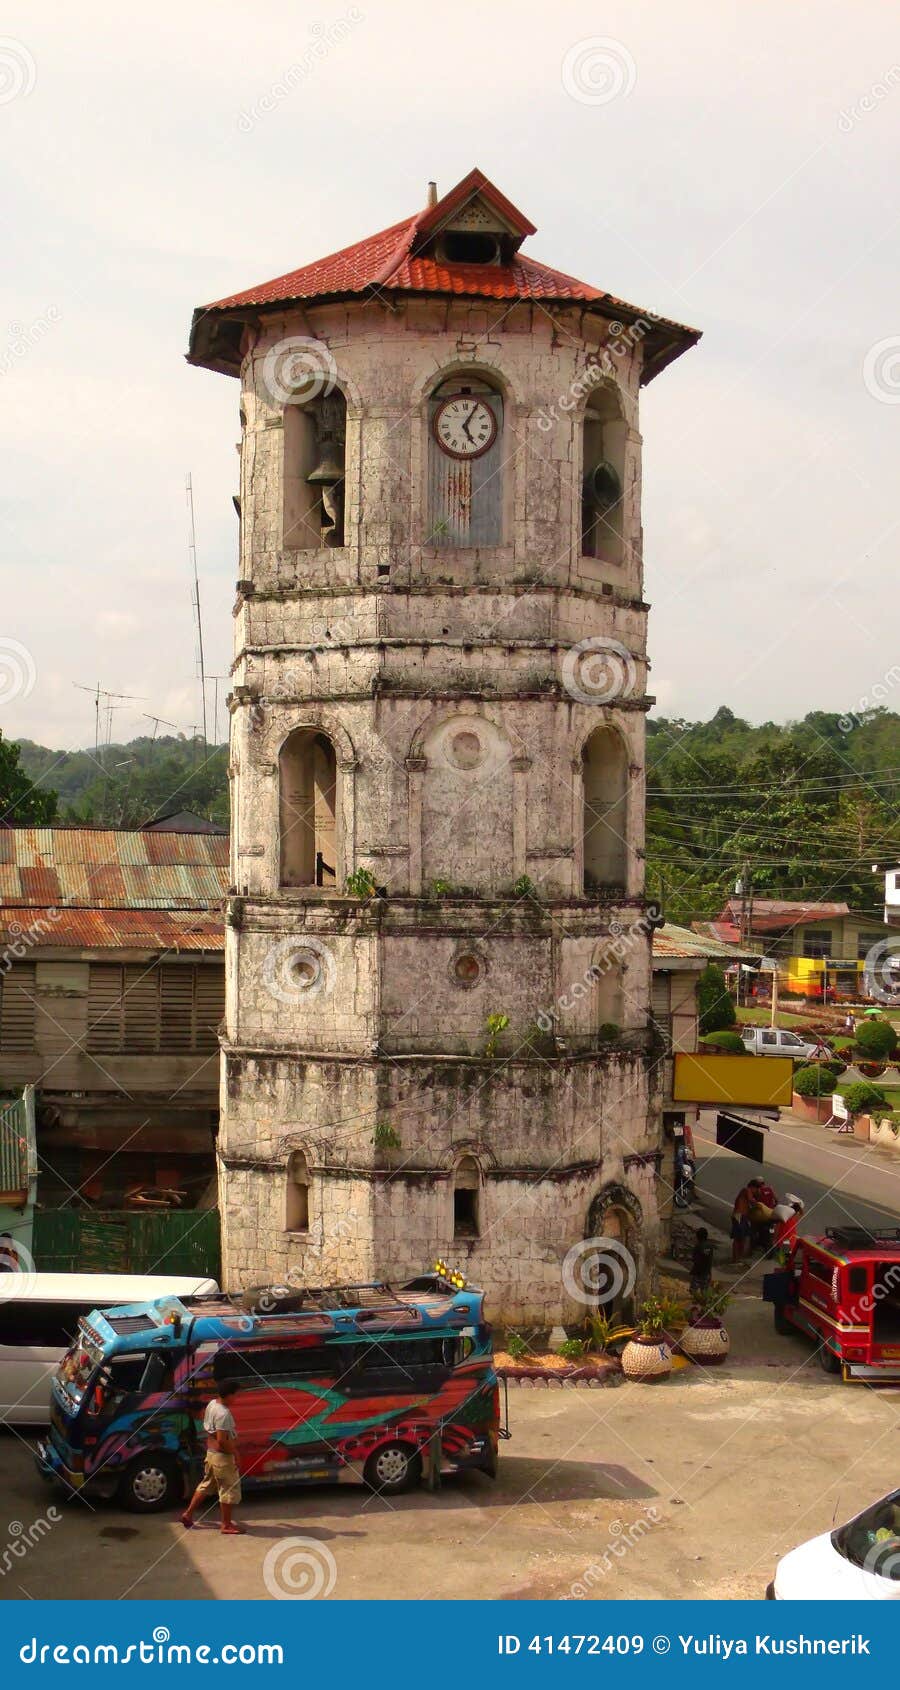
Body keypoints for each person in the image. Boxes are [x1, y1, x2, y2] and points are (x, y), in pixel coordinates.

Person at [181, 1379, 244, 1535]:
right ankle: (226, 1525)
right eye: (235, 1395)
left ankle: (188, 1514)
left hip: (211, 1454)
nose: (236, 1399)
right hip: (222, 1457)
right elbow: (222, 1440)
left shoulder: (212, 1404)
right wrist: (235, 1453)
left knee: (206, 1484)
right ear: (228, 1395)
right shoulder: (223, 1413)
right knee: (228, 1490)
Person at [731, 1183, 753, 1263]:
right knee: (738, 1238)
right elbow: (752, 1200)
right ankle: (735, 1259)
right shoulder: (747, 1190)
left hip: (742, 1217)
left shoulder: (744, 1197)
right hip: (739, 1216)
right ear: (753, 1187)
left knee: (742, 1237)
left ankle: (738, 1257)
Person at [690, 1228, 714, 1297]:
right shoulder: (710, 1246)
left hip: (698, 1272)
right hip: (707, 1272)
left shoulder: (698, 1246)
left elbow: (694, 1258)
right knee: (705, 1290)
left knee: (693, 1289)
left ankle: (697, 1301)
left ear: (698, 1237)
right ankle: (704, 1302)